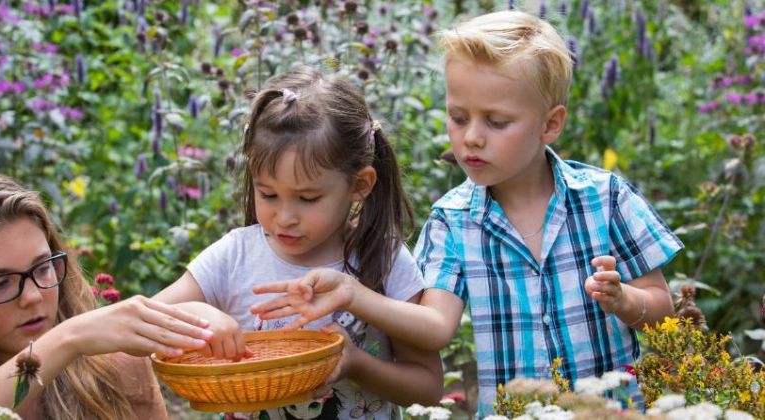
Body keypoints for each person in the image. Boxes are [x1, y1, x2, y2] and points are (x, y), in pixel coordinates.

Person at [250, 11, 683, 416]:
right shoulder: (452, 221)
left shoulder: (604, 197)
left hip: (612, 411)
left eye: (495, 122)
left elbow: (663, 307)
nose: (471, 138)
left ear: (550, 124)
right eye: (458, 117)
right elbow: (436, 326)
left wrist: (625, 301)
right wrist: (352, 292)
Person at [153, 66, 444, 419]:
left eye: (307, 199)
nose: (285, 217)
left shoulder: (382, 259)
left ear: (359, 185)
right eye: (268, 194)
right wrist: (198, 314)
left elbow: (428, 387)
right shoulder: (234, 256)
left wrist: (356, 363)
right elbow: (141, 320)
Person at [0, 170, 214, 419]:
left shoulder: (114, 366)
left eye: (43, 267)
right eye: (1, 283)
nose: (32, 296)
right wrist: (67, 339)